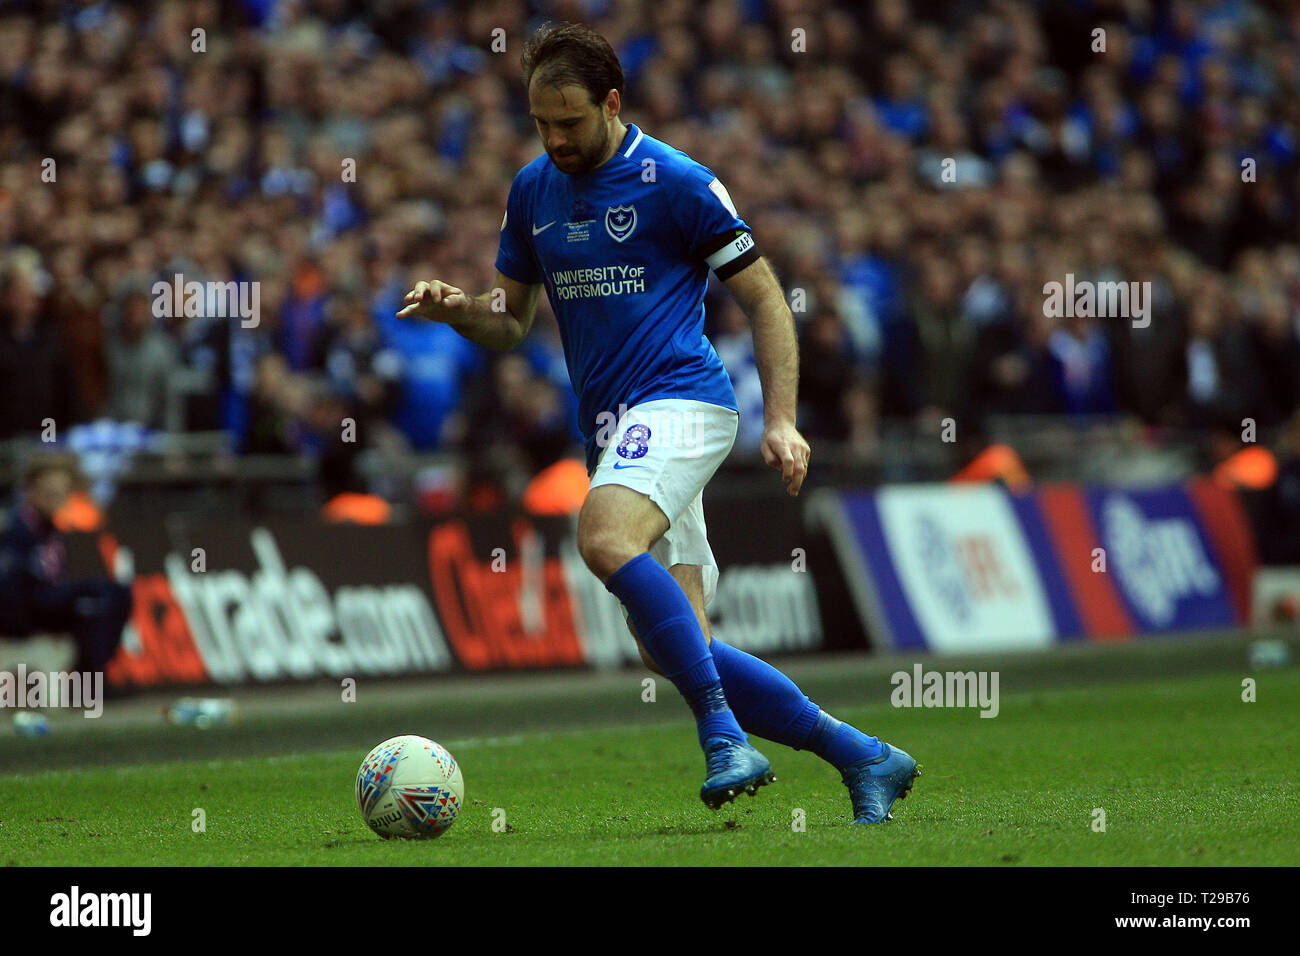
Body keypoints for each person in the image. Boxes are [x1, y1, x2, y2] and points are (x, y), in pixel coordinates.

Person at [397, 22, 918, 824]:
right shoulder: (532, 190)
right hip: (615, 432)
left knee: (604, 539)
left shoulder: (677, 180)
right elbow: (508, 321)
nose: (556, 138)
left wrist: (781, 419)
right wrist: (459, 310)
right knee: (673, 646)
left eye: (570, 120)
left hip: (684, 401)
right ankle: (865, 757)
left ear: (612, 101)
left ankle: (721, 738)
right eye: (541, 122)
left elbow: (766, 299)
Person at [0, 455, 132, 679]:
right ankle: (86, 679)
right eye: (49, 493)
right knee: (96, 591)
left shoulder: (53, 530)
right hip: (22, 608)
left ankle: (93, 675)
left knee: (108, 597)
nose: (56, 500)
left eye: (61, 494)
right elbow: (15, 585)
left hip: (45, 601)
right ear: (31, 491)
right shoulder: (16, 529)